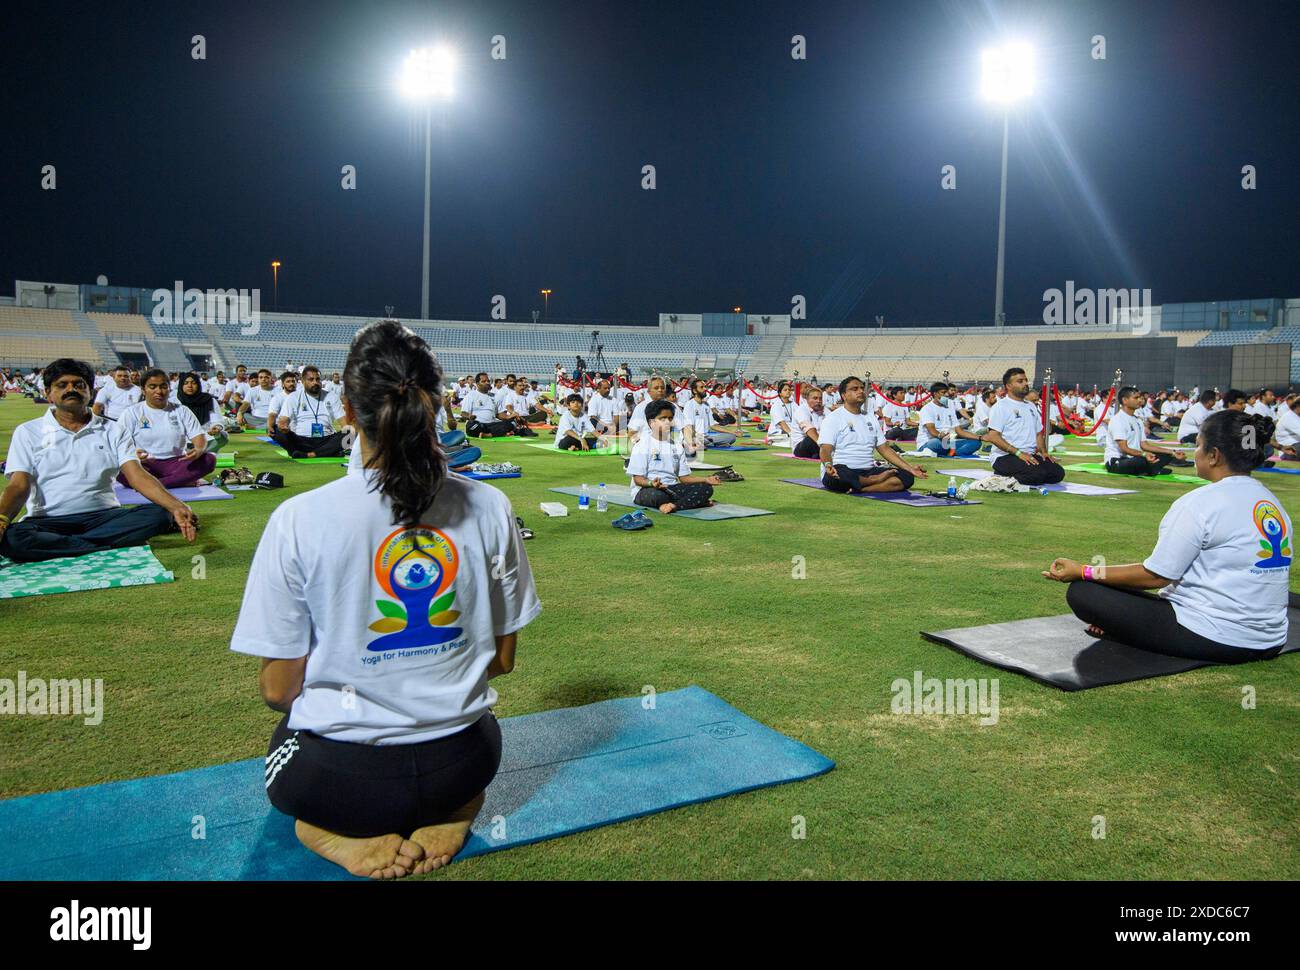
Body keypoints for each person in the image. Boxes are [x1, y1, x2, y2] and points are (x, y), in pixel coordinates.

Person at [232, 321, 539, 879]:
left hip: (340, 783)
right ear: (437, 405)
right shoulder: (491, 506)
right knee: (477, 732)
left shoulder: (299, 520)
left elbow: (279, 691)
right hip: (464, 762)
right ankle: (455, 809)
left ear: (347, 412)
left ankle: (324, 827)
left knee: (284, 754)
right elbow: (503, 661)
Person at [1044, 409, 1289, 663]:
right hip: (1271, 640)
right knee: (1119, 596)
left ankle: (1122, 629)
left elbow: (1156, 576)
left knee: (1083, 592)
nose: (1195, 453)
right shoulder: (1272, 502)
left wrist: (1083, 571)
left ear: (1213, 456)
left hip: (1218, 635)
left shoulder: (1199, 503)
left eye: (1198, 446)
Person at [0, 358, 198, 563]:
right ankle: (99, 544)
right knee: (13, 537)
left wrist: (176, 506)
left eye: (79, 385)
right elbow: (18, 485)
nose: (71, 389)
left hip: (104, 516)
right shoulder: (28, 431)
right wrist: (1, 520)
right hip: (48, 520)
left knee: (159, 514)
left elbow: (137, 476)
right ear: (48, 393)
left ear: (90, 391)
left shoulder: (113, 429)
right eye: (62, 385)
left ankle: (65, 545)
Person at [817, 376, 926, 494]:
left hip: (867, 470)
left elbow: (884, 449)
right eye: (855, 389)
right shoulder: (833, 418)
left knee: (906, 476)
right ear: (843, 395)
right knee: (841, 474)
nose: (860, 391)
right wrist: (828, 464)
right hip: (842, 470)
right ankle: (875, 481)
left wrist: (910, 469)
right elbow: (825, 449)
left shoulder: (870, 417)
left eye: (862, 388)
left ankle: (863, 488)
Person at [117, 370, 215, 488]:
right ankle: (178, 481)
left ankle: (149, 486)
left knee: (209, 459)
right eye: (152, 387)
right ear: (143, 390)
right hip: (145, 464)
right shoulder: (131, 413)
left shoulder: (182, 411)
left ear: (169, 388)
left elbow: (199, 437)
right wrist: (132, 454)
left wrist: (199, 449)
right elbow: (118, 443)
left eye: (163, 387)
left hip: (177, 462)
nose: (159, 391)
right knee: (115, 465)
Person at [626, 400, 723, 513]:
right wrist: (651, 483)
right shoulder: (642, 445)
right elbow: (638, 479)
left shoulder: (677, 446)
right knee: (657, 496)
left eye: (670, 418)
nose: (668, 422)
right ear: (651, 422)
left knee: (706, 489)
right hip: (647, 489)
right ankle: (691, 503)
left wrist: (706, 479)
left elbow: (684, 478)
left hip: (671, 488)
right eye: (663, 418)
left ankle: (674, 506)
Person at [982, 368, 1066, 486]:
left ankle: (1019, 473)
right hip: (1005, 456)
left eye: (1026, 380)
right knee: (1037, 474)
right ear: (1009, 386)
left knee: (1057, 473)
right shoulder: (1001, 406)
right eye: (1020, 381)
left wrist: (1044, 452)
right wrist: (1018, 453)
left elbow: (1038, 433)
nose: (1025, 383)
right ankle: (1001, 476)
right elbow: (993, 436)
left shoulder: (1030, 406)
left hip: (1028, 455)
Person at [1104, 386, 1186, 476]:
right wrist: (1143, 454)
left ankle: (1150, 469)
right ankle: (1151, 469)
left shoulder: (1138, 420)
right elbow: (1124, 448)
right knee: (1140, 460)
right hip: (1118, 460)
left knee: (1166, 455)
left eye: (1140, 397)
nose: (1140, 400)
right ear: (1125, 400)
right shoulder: (1118, 420)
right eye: (1136, 398)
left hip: (1136, 457)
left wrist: (1173, 452)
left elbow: (1144, 445)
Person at [275, 366, 349, 458]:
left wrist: (349, 434)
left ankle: (310, 454)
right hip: (301, 440)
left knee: (353, 432)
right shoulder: (293, 397)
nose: (315, 382)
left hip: (326, 439)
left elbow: (344, 423)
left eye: (318, 379)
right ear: (302, 381)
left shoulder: (331, 396)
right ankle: (329, 452)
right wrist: (283, 426)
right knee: (274, 430)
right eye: (311, 379)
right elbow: (283, 420)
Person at [915, 381, 982, 457]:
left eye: (947, 392)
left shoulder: (950, 406)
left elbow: (959, 431)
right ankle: (952, 451)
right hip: (931, 442)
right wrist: (941, 435)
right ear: (935, 394)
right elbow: (932, 431)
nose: (947, 395)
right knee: (935, 443)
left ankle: (953, 453)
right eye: (943, 393)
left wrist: (980, 437)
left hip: (949, 442)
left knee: (976, 443)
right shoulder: (927, 409)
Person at [682, 379, 737, 450]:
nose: (705, 389)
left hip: (706, 438)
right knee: (697, 439)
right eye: (701, 387)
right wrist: (693, 441)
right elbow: (688, 427)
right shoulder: (689, 405)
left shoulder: (706, 405)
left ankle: (706, 443)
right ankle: (694, 443)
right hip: (693, 436)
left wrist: (733, 432)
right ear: (695, 391)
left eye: (705, 387)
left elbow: (713, 425)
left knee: (731, 437)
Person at [460, 373, 518, 438]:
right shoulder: (471, 395)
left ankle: (487, 435)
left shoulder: (494, 396)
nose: (487, 383)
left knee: (512, 423)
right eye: (484, 381)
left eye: (488, 381)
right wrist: (469, 416)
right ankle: (497, 433)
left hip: (491, 424)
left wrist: (510, 416)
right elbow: (463, 413)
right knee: (473, 426)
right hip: (478, 424)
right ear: (477, 384)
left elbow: (499, 414)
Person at [791, 385, 827, 459]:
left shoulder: (825, 410)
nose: (818, 401)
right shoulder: (802, 410)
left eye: (820, 398)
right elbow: (809, 429)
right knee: (810, 438)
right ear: (807, 399)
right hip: (801, 446)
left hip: (820, 441)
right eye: (815, 398)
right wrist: (823, 447)